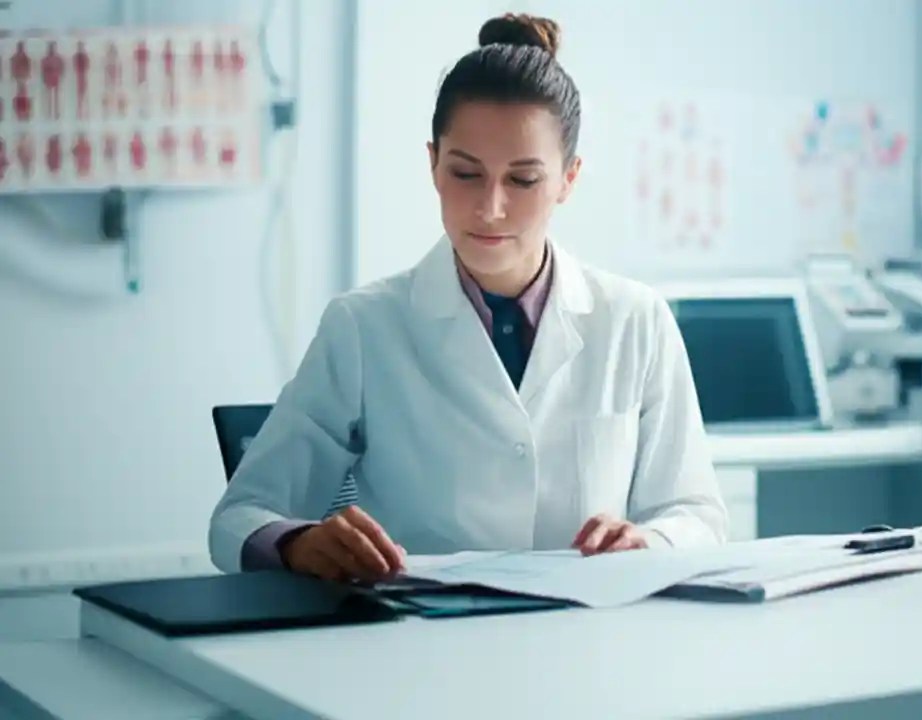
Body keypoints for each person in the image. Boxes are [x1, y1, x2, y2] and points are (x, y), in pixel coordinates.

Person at [209, 14, 728, 582]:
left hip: (590, 641)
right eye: (465, 173)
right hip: (422, 641)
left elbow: (697, 515)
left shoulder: (635, 320)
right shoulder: (364, 327)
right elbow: (240, 516)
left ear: (568, 179)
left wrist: (651, 540)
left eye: (523, 180)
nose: (490, 208)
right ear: (433, 163)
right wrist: (296, 542)